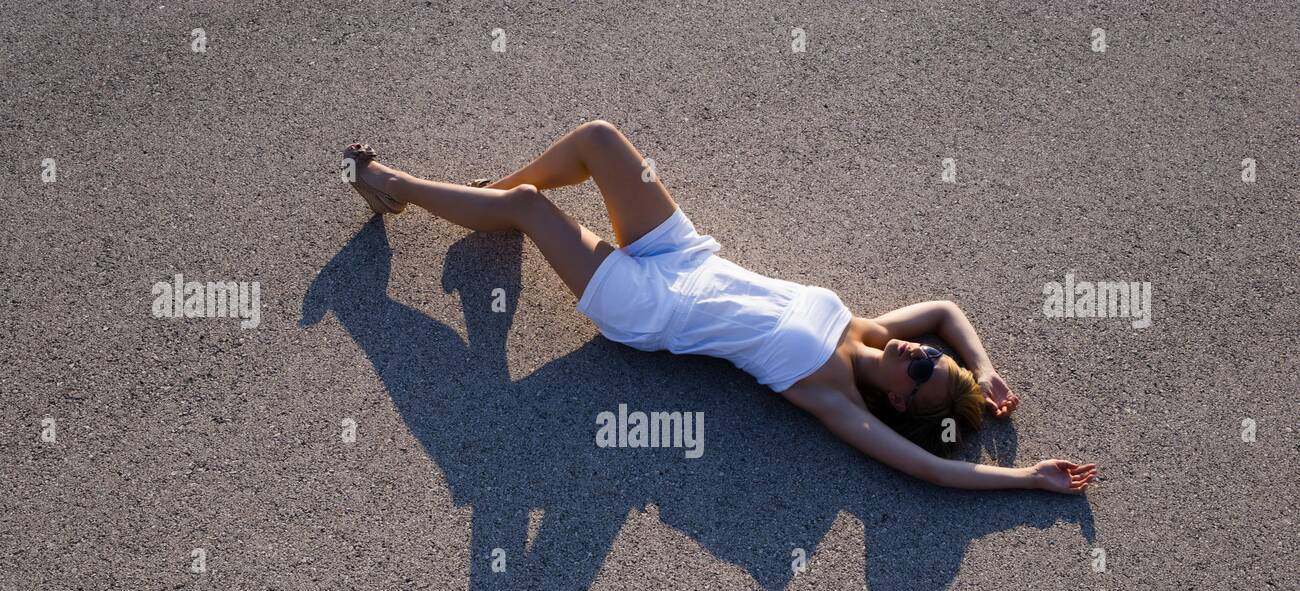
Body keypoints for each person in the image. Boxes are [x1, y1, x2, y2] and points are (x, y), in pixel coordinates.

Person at [341, 121, 1097, 494]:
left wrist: (1027, 479)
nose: (924, 352)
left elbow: (928, 467)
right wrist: (985, 370)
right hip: (686, 255)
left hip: (650, 308)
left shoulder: (832, 397)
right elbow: (945, 308)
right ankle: (486, 202)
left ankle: (394, 185)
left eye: (925, 370)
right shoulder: (871, 328)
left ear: (901, 400)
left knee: (536, 209)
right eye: (935, 357)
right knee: (602, 140)